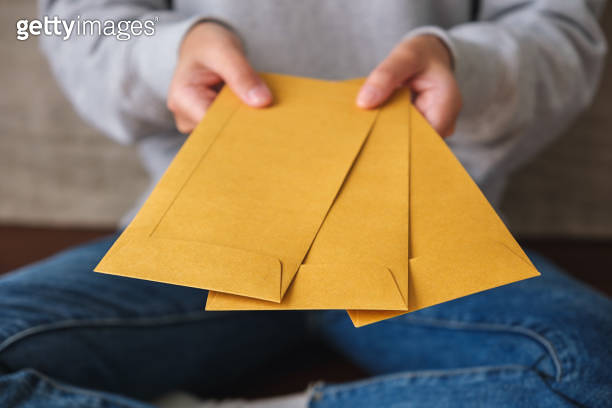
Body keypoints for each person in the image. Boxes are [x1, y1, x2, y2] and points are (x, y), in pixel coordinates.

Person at [1, 0, 610, 406]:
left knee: (595, 367)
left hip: (417, 243)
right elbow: (62, 22)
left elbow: (566, 27)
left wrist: (463, 65)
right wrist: (168, 51)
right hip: (203, 235)